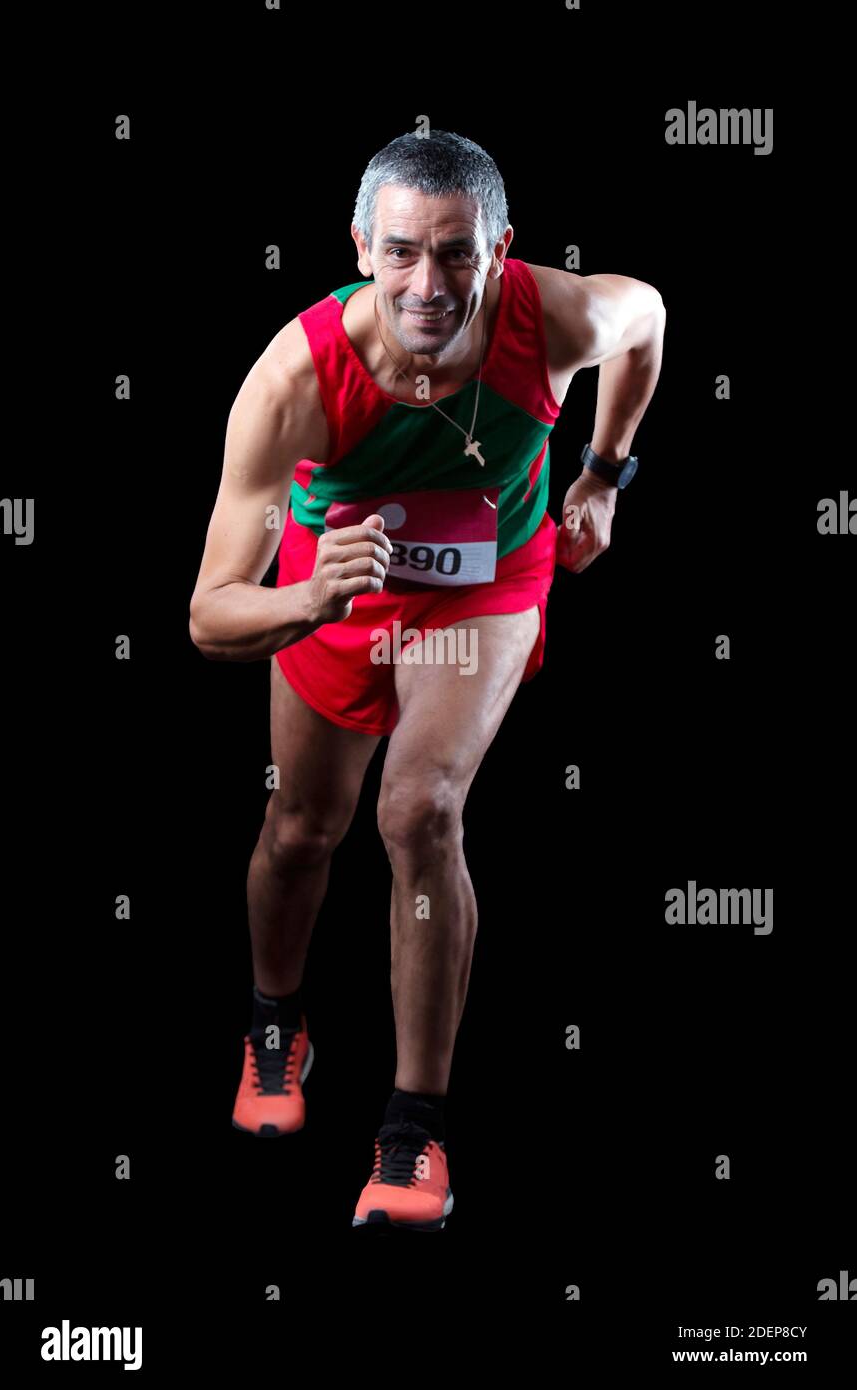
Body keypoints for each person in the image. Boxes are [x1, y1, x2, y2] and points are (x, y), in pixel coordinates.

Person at [189, 130, 665, 1231]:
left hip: (484, 585)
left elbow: (645, 320)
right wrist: (307, 601)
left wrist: (602, 474)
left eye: (457, 253)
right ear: (361, 248)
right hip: (335, 590)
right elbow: (210, 614)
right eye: (401, 252)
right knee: (301, 829)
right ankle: (275, 1023)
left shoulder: (554, 319)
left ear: (501, 248)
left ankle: (413, 1129)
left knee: (420, 809)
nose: (428, 285)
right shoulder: (295, 378)